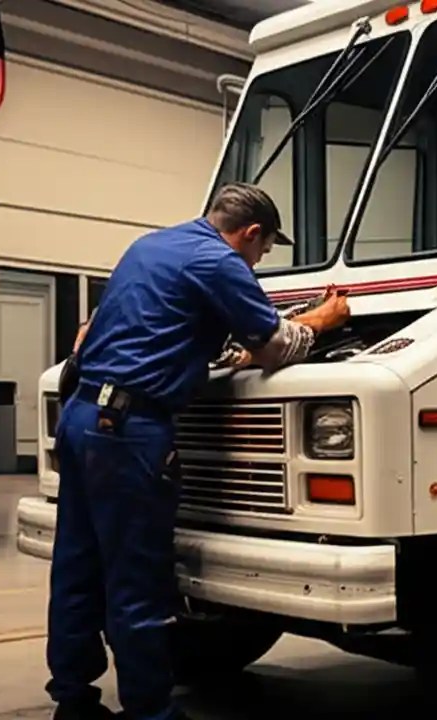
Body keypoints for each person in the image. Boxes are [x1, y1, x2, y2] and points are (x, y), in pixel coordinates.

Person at [45, 183, 350, 720]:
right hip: (131, 431)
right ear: (252, 233)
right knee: (138, 579)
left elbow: (148, 330)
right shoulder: (219, 262)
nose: (258, 262)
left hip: (82, 417)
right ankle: (151, 712)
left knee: (78, 566)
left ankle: (73, 703)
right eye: (264, 251)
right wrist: (323, 320)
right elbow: (276, 345)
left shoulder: (151, 246)